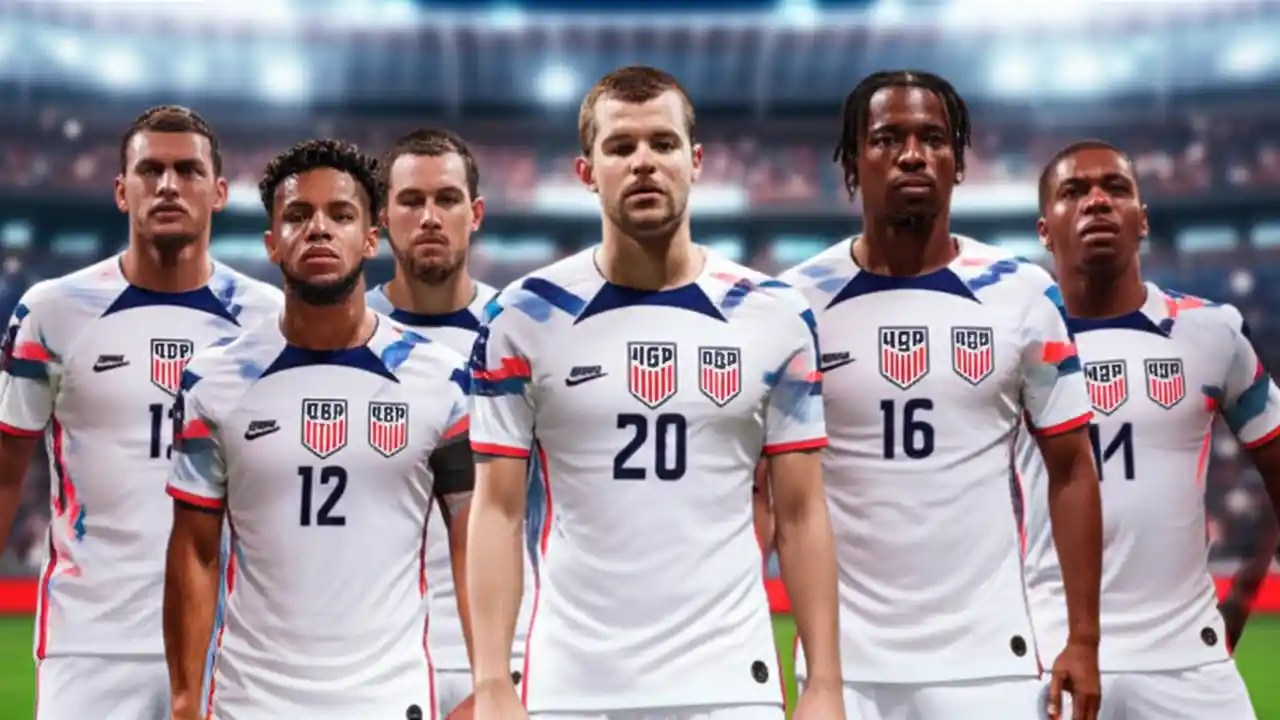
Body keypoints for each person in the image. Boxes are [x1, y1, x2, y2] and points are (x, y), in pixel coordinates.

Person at [465, 65, 844, 720]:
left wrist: (825, 684)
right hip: (573, 682)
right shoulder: (522, 317)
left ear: (695, 162)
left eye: (662, 144)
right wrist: (495, 680)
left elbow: (804, 510)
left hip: (729, 678)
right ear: (587, 171)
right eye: (620, 147)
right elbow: (496, 509)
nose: (644, 162)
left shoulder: (776, 315)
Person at [778, 70, 1103, 720]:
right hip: (845, 666)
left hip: (988, 661)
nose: (912, 153)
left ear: (958, 164)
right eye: (886, 138)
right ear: (851, 166)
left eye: (934, 138)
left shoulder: (1022, 295)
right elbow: (769, 492)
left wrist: (1084, 639)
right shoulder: (792, 305)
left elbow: (1071, 469)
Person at [162, 139, 475, 718]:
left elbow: (473, 538)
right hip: (249, 703)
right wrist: (184, 700)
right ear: (272, 244)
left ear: (372, 238)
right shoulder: (213, 380)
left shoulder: (443, 379)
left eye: (341, 215)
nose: (319, 230)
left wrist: (494, 680)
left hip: (388, 700)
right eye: (298, 217)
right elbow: (194, 551)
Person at [0, 105, 282, 719]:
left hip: (235, 645)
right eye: (150, 170)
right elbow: (5, 469)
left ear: (220, 192)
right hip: (91, 646)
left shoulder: (271, 320)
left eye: (188, 171)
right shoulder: (52, 313)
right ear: (121, 191)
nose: (169, 185)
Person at [1025, 139, 1280, 719]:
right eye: (1074, 191)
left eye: (1115, 188)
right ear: (1046, 229)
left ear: (1142, 219)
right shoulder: (1015, 346)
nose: (1096, 201)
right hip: (1050, 655)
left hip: (1187, 663)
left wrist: (1243, 592)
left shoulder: (1211, 333)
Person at [366, 126, 532, 716]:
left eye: (447, 199)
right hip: (379, 653)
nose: (429, 217)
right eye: (411, 201)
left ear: (476, 212)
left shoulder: (523, 331)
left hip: (507, 646)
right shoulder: (343, 333)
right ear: (382, 216)